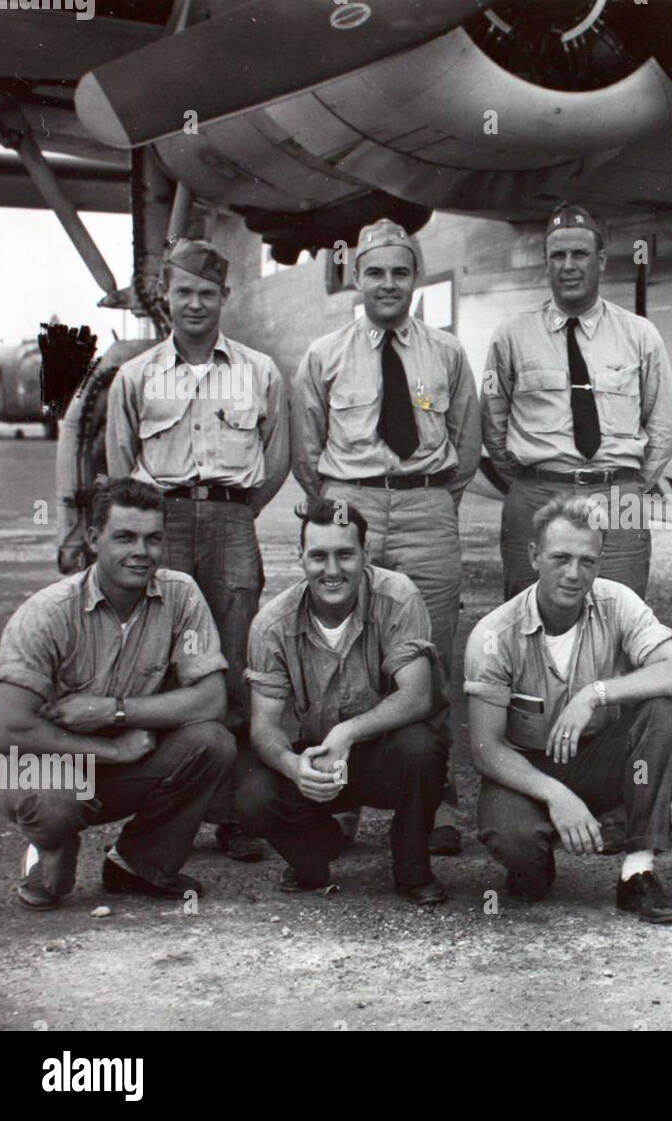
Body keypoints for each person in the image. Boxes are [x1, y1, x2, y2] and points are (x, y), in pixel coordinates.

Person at [291, 217, 481, 855]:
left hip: (427, 508)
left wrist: (428, 501)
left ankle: (435, 799)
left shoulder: (447, 353)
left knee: (428, 654)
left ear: (416, 278)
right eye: (375, 272)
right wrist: (350, 505)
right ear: (356, 277)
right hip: (352, 506)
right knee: (346, 649)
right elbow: (306, 453)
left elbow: (468, 442)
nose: (389, 283)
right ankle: (342, 791)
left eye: (401, 271)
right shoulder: (324, 356)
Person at [107, 238, 289, 862]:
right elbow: (120, 467)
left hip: (233, 522)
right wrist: (154, 526)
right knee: (160, 660)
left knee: (234, 661)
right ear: (165, 296)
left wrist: (238, 513)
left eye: (207, 293)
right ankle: (167, 807)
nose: (194, 304)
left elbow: (279, 454)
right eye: (183, 292)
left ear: (225, 299)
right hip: (163, 522)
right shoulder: (135, 377)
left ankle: (235, 812)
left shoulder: (258, 371)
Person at [0, 479, 234, 910]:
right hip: (47, 767)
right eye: (124, 537)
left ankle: (140, 863)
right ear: (92, 539)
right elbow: (8, 729)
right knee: (51, 810)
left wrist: (113, 711)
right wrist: (116, 751)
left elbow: (210, 700)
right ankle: (48, 846)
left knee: (212, 742)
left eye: (153, 538)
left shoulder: (180, 595)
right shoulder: (47, 614)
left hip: (124, 754)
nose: (141, 552)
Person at [464, 495, 672, 922]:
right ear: (534, 556)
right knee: (511, 837)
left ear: (600, 561)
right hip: (528, 768)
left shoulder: (617, 602)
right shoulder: (494, 634)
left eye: (587, 561)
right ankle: (536, 860)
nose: (574, 574)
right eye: (560, 558)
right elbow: (485, 749)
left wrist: (595, 694)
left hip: (600, 758)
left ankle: (637, 871)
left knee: (665, 714)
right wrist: (557, 796)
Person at [237, 499, 450, 904]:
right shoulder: (271, 623)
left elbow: (418, 695)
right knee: (252, 795)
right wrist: (293, 767)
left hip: (383, 753)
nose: (332, 570)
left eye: (345, 555)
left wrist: (348, 732)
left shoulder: (398, 596)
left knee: (421, 746)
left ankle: (412, 870)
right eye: (318, 556)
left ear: (365, 555)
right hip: (318, 759)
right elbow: (263, 726)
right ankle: (313, 854)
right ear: (300, 558)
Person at [482, 203, 672, 599]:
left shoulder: (640, 335)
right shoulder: (511, 336)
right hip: (537, 494)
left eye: (580, 254)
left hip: (619, 497)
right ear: (546, 262)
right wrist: (533, 478)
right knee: (530, 620)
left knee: (621, 618)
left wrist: (628, 487)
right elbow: (493, 422)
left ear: (600, 260)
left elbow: (662, 425)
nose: (569, 265)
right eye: (558, 255)